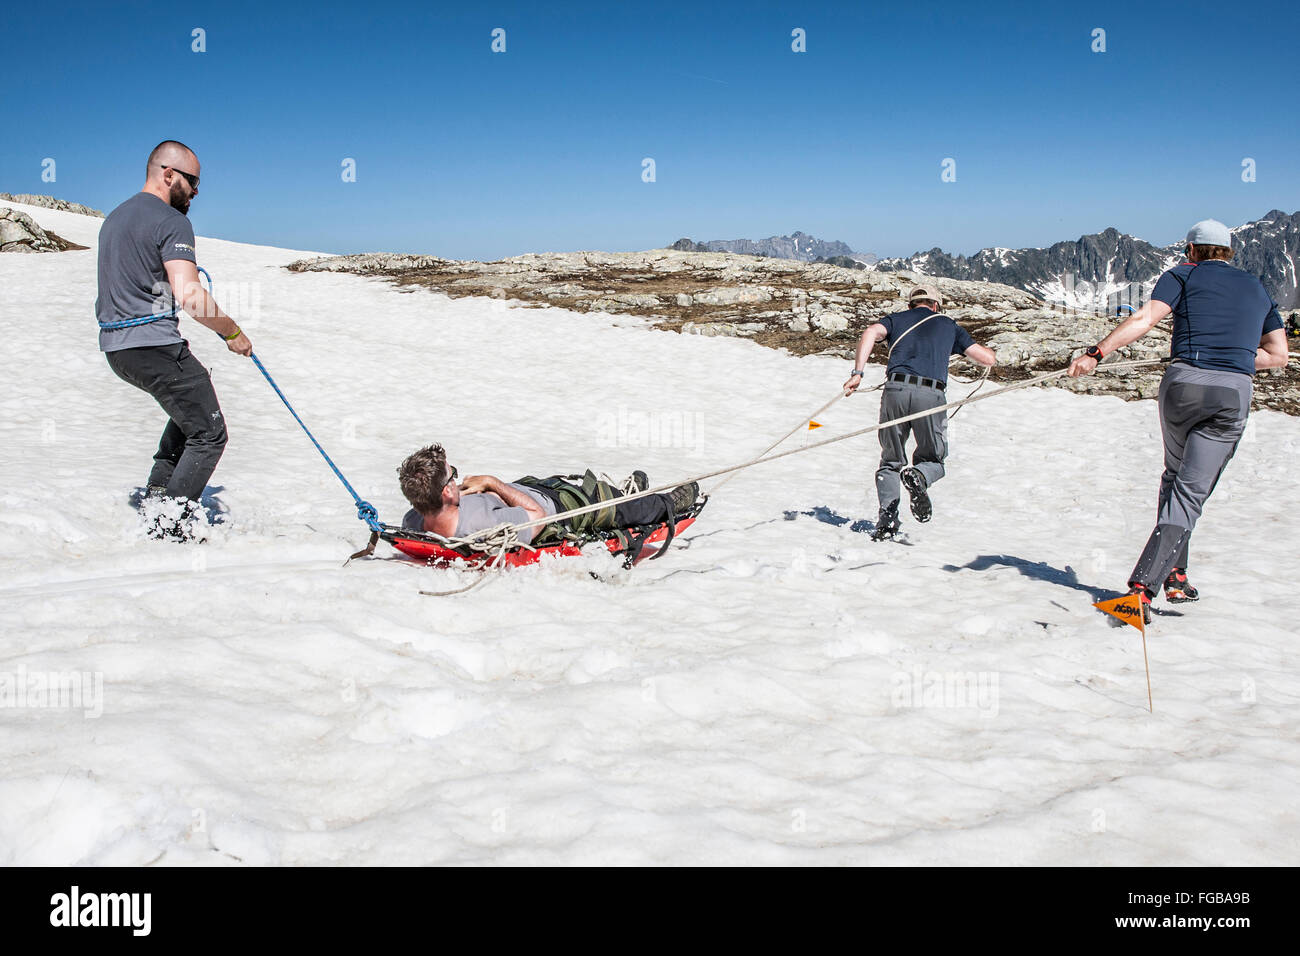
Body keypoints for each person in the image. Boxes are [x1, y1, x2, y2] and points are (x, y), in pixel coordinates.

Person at [1067, 219, 1288, 619]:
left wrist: (1096, 354)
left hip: (1181, 385)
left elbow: (1144, 319)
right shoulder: (1257, 288)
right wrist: (1233, 354)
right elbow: (1277, 356)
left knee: (1174, 477)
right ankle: (1142, 590)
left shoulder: (1182, 276)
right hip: (1230, 395)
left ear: (1191, 250)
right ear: (1228, 252)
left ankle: (1176, 576)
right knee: (1190, 490)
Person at [96, 140, 253, 539]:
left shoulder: (115, 218)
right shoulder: (171, 221)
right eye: (193, 182)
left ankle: (157, 498)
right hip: (153, 345)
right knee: (210, 432)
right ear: (168, 174)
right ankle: (169, 526)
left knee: (191, 416)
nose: (196, 192)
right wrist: (232, 332)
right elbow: (189, 294)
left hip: (119, 350)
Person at [843, 284, 997, 539]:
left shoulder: (897, 319)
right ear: (936, 305)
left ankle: (887, 523)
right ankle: (920, 475)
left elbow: (871, 332)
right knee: (934, 460)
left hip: (895, 391)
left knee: (890, 460)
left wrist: (857, 373)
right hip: (931, 394)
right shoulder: (948, 325)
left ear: (911, 305)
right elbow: (986, 359)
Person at [397, 444, 701, 547]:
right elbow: (537, 518)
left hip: (529, 488)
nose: (458, 478)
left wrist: (478, 489)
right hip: (559, 505)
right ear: (447, 491)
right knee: (617, 507)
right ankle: (666, 503)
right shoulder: (482, 526)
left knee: (604, 492)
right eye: (453, 475)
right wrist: (493, 482)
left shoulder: (414, 517)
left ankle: (628, 490)